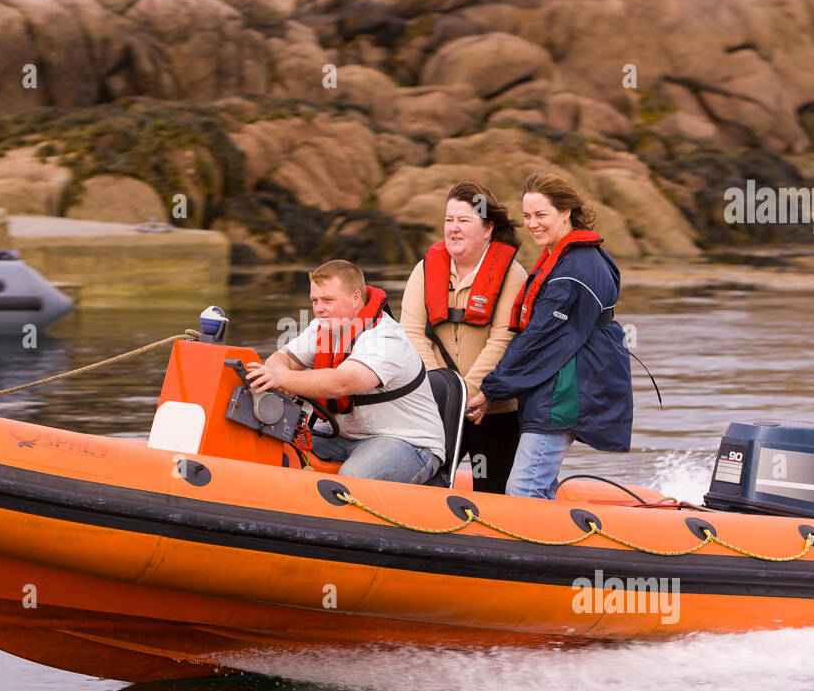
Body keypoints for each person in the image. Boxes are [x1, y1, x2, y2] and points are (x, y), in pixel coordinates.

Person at [467, 172, 632, 498]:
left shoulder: (574, 270)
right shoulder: (577, 256)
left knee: (524, 490)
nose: (532, 224)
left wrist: (490, 390)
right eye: (527, 216)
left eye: (541, 215)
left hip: (566, 392)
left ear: (566, 211)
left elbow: (539, 341)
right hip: (561, 384)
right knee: (536, 484)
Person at [247, 259, 447, 485]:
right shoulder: (322, 327)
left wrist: (283, 378)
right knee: (274, 447)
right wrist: (275, 373)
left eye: (328, 300)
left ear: (355, 298)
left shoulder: (385, 338)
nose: (319, 308)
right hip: (345, 436)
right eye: (314, 300)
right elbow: (281, 359)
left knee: (353, 478)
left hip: (408, 441)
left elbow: (341, 383)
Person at [400, 181, 528, 494]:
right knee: (424, 492)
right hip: (436, 409)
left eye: (463, 221)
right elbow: (412, 332)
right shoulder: (425, 270)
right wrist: (441, 394)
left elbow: (502, 340)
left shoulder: (513, 275)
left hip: (493, 412)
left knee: (493, 495)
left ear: (487, 229)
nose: (453, 229)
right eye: (448, 220)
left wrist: (470, 395)